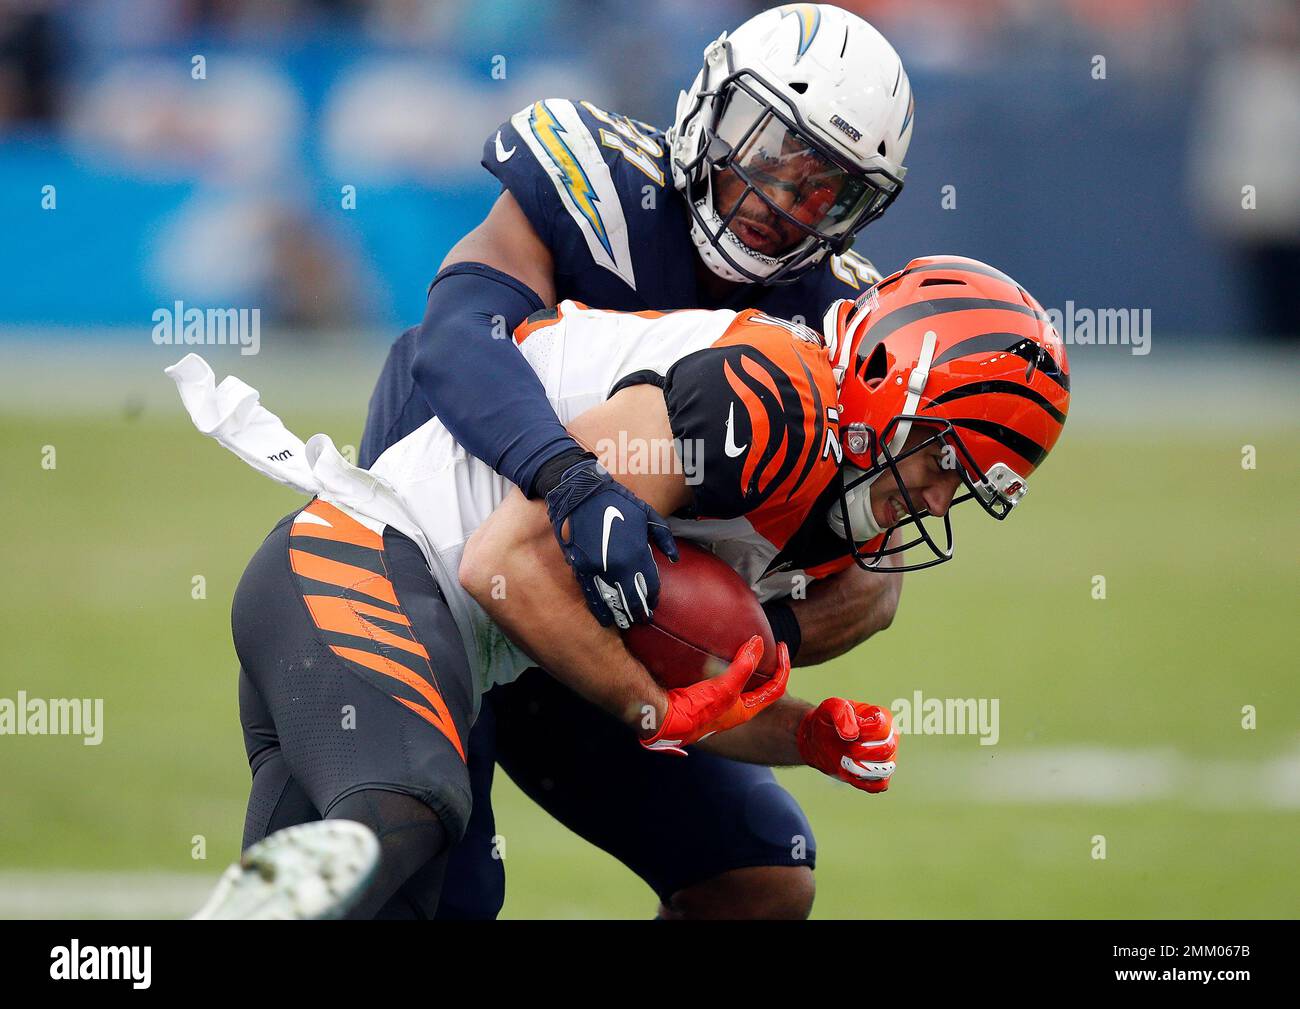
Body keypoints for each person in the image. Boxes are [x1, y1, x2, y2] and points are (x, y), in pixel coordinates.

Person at [177, 254, 1072, 919]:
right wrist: (647, 708)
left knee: (411, 888)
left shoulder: (825, 502)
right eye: (945, 460)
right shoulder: (773, 399)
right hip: (358, 560)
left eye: (969, 486)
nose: (936, 497)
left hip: (427, 626)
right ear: (886, 380)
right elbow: (506, 562)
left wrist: (808, 733)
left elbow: (691, 684)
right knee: (411, 808)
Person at [357, 3, 918, 919]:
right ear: (709, 102)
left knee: (758, 876)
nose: (784, 200)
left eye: (829, 189)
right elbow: (455, 336)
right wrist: (571, 481)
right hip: (443, 563)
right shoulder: (603, 177)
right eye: (772, 147)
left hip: (603, 606)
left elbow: (872, 575)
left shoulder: (839, 320)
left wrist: (752, 647)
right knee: (447, 886)